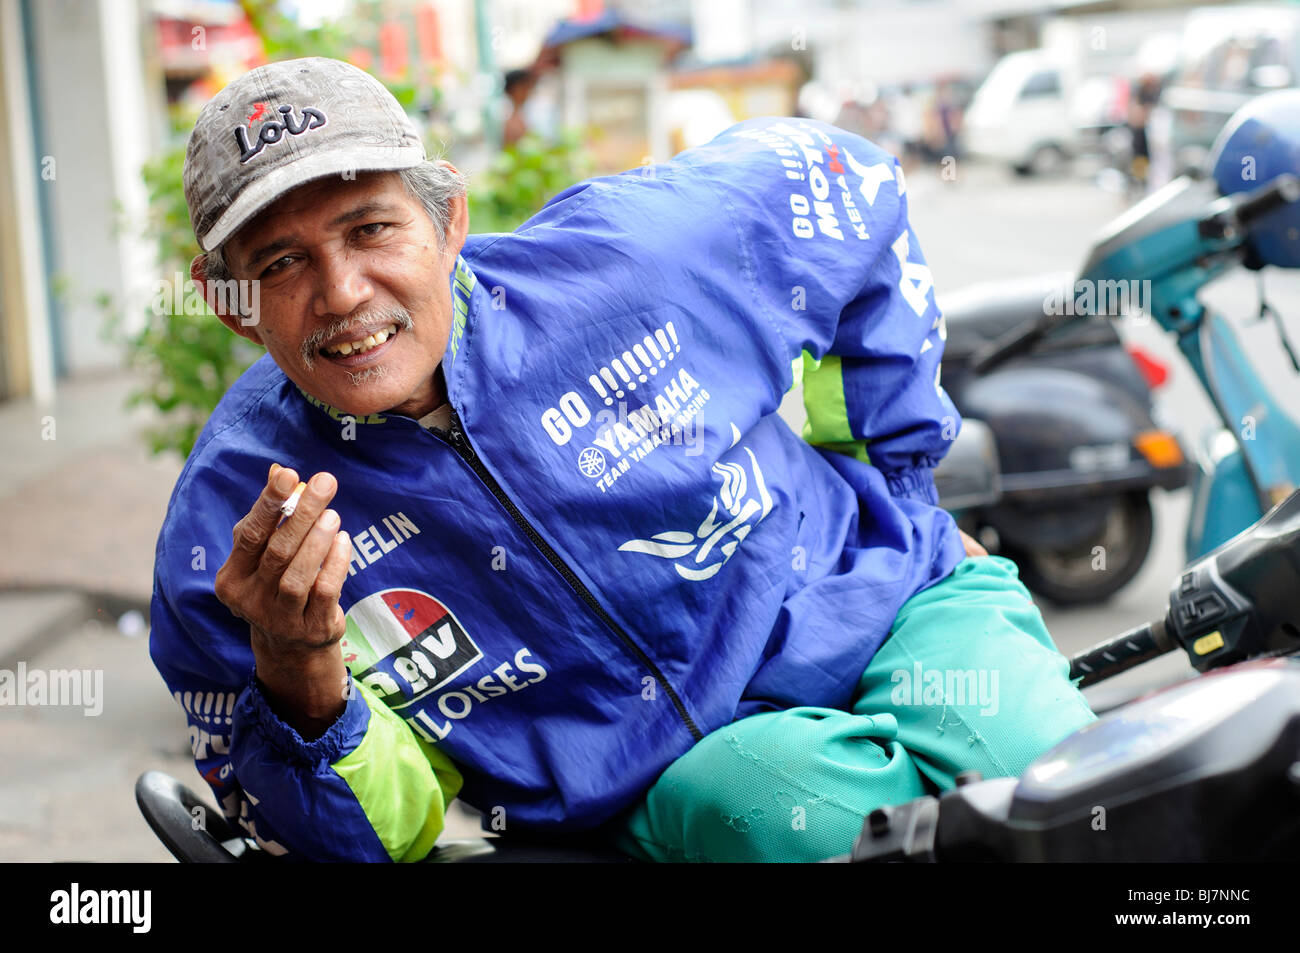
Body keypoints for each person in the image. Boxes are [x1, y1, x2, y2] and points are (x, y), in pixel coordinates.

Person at [150, 57, 1097, 863]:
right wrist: (301, 671)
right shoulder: (229, 539)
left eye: (371, 228)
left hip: (895, 602)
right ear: (230, 301)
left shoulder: (632, 260)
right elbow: (376, 839)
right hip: (693, 774)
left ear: (447, 222)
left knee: (1072, 794)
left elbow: (846, 182)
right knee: (788, 809)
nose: (343, 292)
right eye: (281, 264)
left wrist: (896, 479)